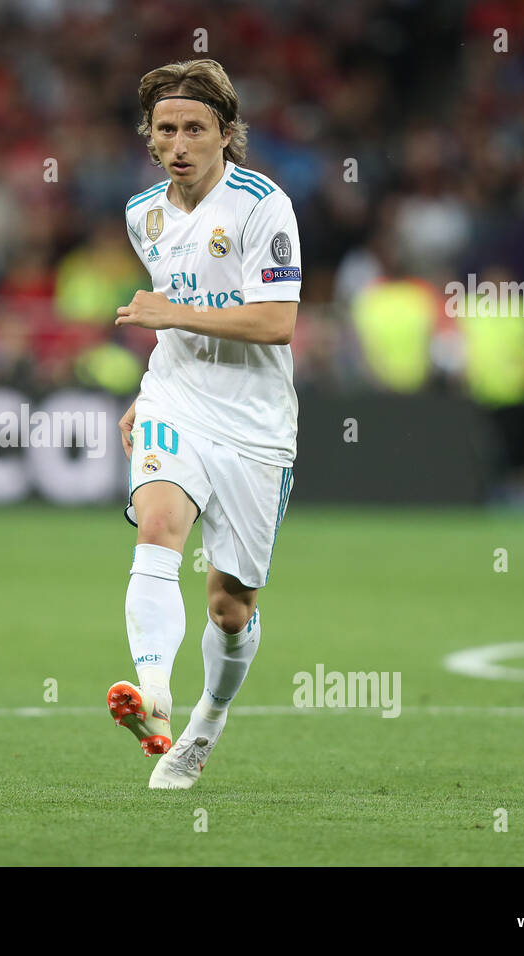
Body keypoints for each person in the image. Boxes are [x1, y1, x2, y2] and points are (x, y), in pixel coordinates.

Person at [110, 59, 300, 790]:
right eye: (167, 129)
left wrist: (170, 316)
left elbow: (277, 322)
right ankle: (152, 694)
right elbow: (175, 316)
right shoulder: (142, 214)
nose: (181, 142)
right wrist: (150, 387)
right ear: (150, 139)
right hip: (175, 401)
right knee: (157, 524)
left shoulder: (261, 205)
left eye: (196, 128)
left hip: (255, 425)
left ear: (227, 133)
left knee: (230, 605)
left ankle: (204, 727)